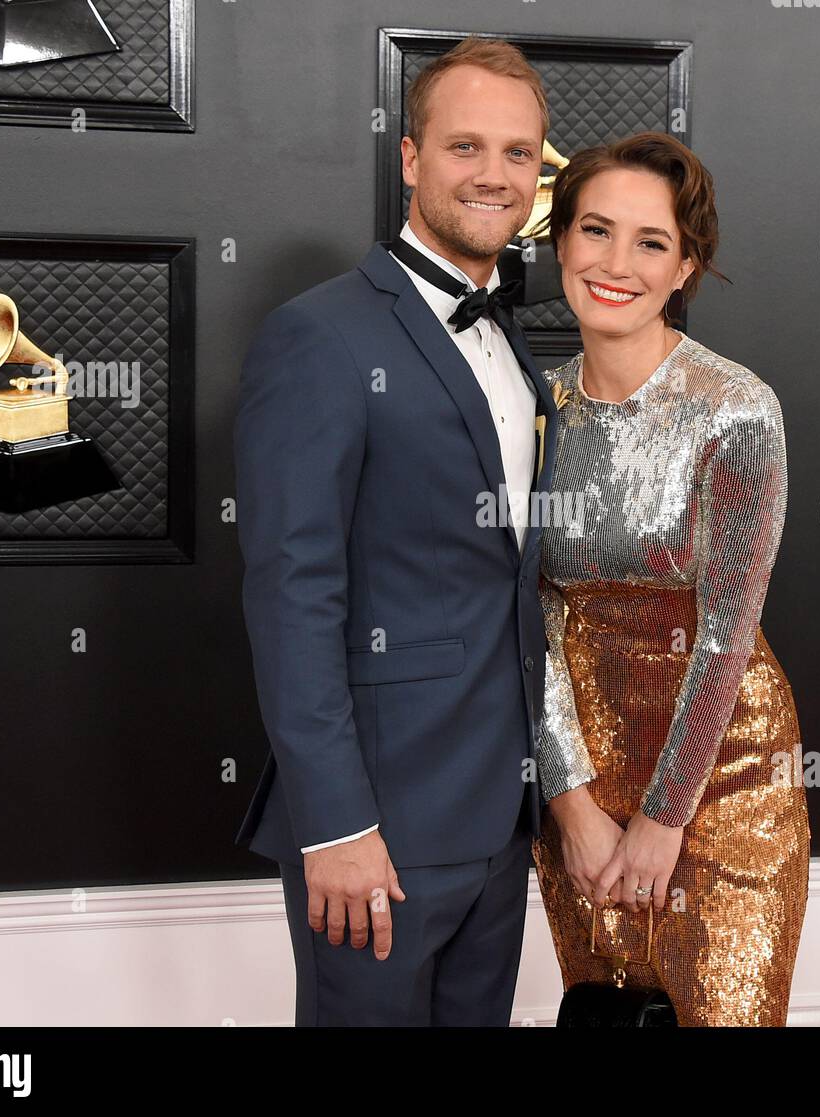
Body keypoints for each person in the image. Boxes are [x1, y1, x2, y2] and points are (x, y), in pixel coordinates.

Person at [232, 37, 559, 1026]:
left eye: (517, 153)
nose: (493, 175)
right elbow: (292, 591)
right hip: (373, 821)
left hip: (502, 817)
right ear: (411, 160)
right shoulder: (319, 335)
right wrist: (334, 821)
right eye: (465, 147)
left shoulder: (513, 337)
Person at [527, 131, 811, 1026]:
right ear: (559, 242)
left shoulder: (735, 406)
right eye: (595, 231)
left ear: (687, 264)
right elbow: (523, 613)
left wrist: (663, 817)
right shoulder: (528, 405)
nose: (618, 264)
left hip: (722, 778)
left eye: (651, 241)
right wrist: (569, 801)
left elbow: (729, 631)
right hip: (581, 770)